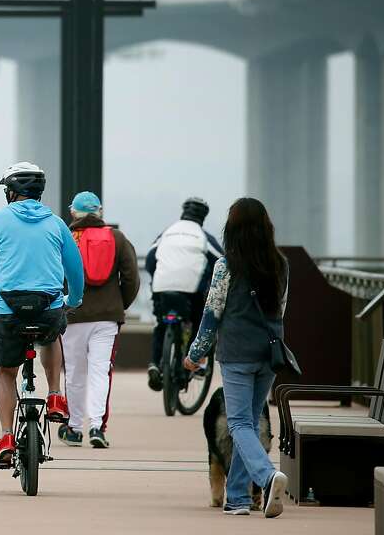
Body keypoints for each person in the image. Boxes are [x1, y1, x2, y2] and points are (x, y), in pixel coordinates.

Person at [0, 161, 84, 470]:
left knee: (6, 371)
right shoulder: (57, 223)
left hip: (8, 308)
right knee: (52, 336)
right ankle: (56, 395)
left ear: (11, 192)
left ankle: (6, 437)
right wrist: (73, 299)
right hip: (48, 306)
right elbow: (75, 268)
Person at [184, 198, 289, 518]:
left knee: (239, 423)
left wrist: (194, 355)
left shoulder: (225, 266)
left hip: (236, 355)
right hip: (270, 354)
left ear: (232, 229)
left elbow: (211, 315)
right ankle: (238, 499)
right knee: (251, 422)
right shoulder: (281, 264)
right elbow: (282, 310)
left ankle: (267, 478)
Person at [60, 191, 140, 449]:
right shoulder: (116, 238)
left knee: (74, 372)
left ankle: (73, 428)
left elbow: (55, 276)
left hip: (72, 317)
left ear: (74, 213)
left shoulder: (67, 239)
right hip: (107, 318)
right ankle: (97, 426)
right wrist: (118, 305)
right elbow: (131, 278)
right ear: (100, 212)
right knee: (100, 371)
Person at [147, 196, 224, 391]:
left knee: (161, 323)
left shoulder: (167, 233)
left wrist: (157, 277)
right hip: (191, 290)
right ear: (203, 217)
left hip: (162, 286)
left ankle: (154, 364)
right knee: (199, 322)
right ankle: (194, 362)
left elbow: (149, 260)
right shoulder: (204, 236)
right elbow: (222, 263)